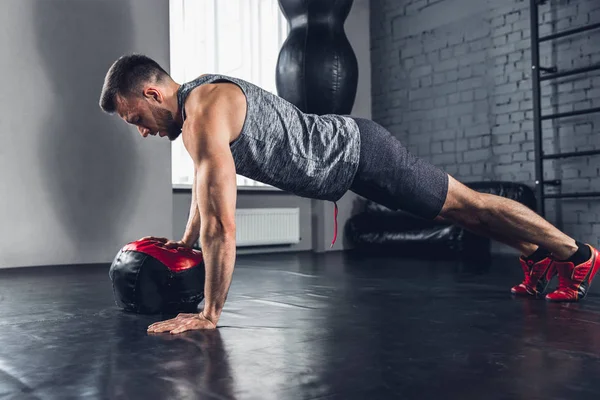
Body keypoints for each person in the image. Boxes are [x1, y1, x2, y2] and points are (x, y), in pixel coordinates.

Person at [98, 54, 600, 334]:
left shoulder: (204, 115)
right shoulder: (194, 110)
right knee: (465, 215)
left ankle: (576, 255)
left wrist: (209, 314)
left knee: (471, 205)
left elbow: (223, 224)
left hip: (360, 152)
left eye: (135, 119)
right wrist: (186, 244)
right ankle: (535, 254)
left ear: (152, 93)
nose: (140, 130)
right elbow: (203, 201)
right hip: (352, 159)